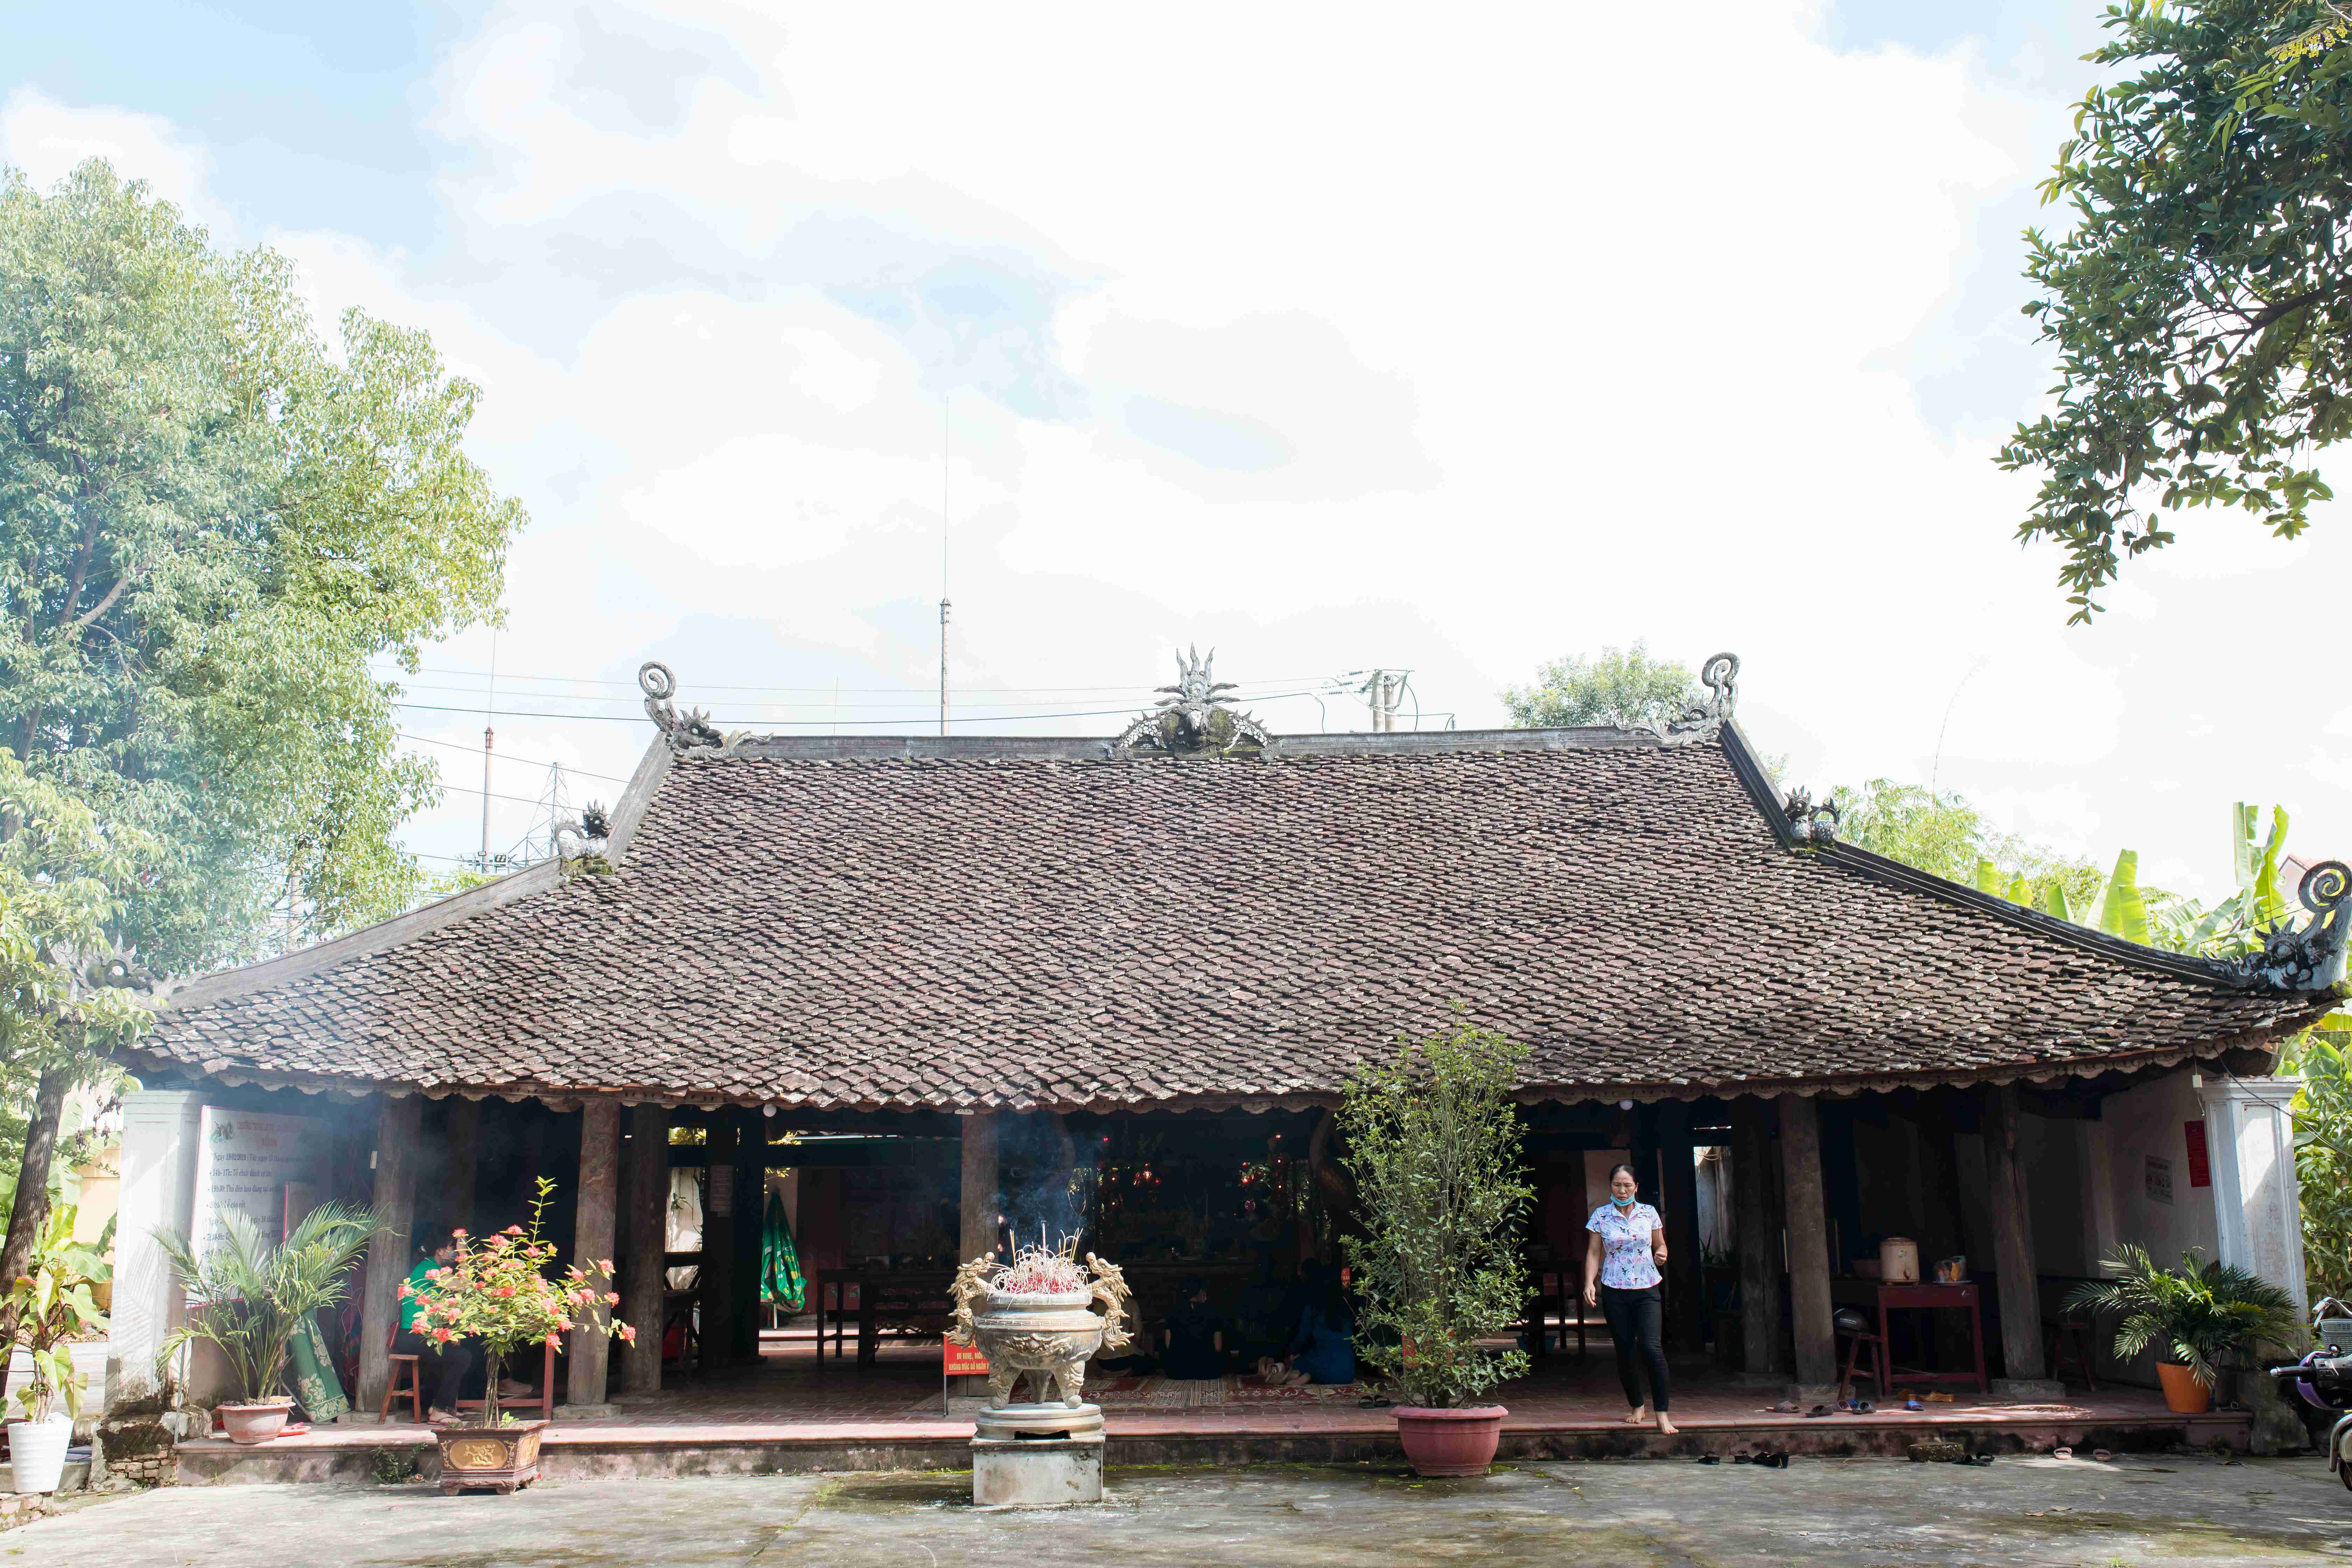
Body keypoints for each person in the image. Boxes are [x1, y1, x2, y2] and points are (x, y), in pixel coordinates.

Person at [1584, 1162, 1675, 1435]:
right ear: (1610, 1186)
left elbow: (1660, 1244)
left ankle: (1662, 1414)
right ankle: (1637, 1406)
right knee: (1625, 1351)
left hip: (1648, 1289)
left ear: (1636, 1187)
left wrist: (1663, 1254)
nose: (1622, 1190)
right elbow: (1593, 1253)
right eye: (1617, 1185)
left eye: (1627, 1185)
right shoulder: (1600, 1216)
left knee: (1651, 1348)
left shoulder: (1649, 1213)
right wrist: (1589, 1281)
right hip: (1614, 1290)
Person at [397, 1239, 478, 1423]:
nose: (455, 1255)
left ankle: (445, 1406)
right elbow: (463, 1285)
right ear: (440, 1251)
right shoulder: (431, 1269)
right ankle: (440, 1409)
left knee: (458, 1353)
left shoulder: (430, 1267)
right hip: (412, 1336)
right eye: (452, 1250)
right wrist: (464, 1255)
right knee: (462, 1357)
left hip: (420, 1335)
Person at [1260, 1260, 1354, 1387]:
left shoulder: (1314, 1309)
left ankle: (1306, 1375)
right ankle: (1306, 1376)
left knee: (1298, 1362)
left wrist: (1290, 1353)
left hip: (1324, 1369)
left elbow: (1302, 1341)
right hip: (1348, 1373)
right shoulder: (1347, 1309)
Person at [1161, 1275, 1226, 1380]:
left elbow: (1169, 1345)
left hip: (1177, 1371)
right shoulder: (1214, 1312)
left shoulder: (1172, 1311)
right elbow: (1218, 1348)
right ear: (1201, 1292)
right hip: (1208, 1371)